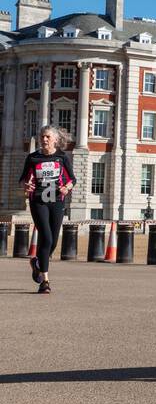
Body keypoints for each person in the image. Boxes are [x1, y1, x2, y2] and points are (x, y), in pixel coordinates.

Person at [20, 125, 75, 294]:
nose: (44, 140)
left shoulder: (61, 157)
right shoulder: (33, 158)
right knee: (47, 238)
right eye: (42, 136)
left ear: (55, 140)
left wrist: (67, 187)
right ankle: (45, 281)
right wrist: (26, 185)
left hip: (56, 199)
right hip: (38, 200)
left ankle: (37, 263)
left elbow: (72, 179)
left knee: (54, 241)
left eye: (48, 137)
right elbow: (22, 179)